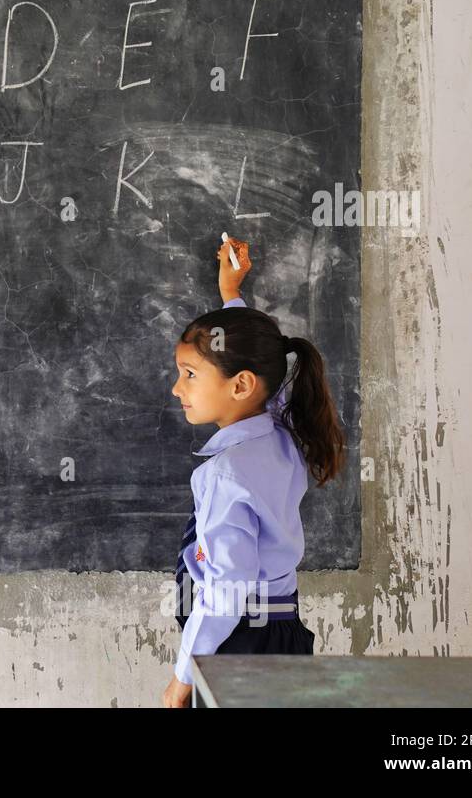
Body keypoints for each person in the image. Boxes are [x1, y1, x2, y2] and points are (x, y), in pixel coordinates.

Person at [162, 237, 345, 707]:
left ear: (241, 384)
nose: (176, 386)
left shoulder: (225, 476)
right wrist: (231, 295)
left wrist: (183, 678)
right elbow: (264, 367)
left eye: (190, 374)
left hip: (237, 645)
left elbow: (224, 589)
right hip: (279, 635)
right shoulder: (283, 431)